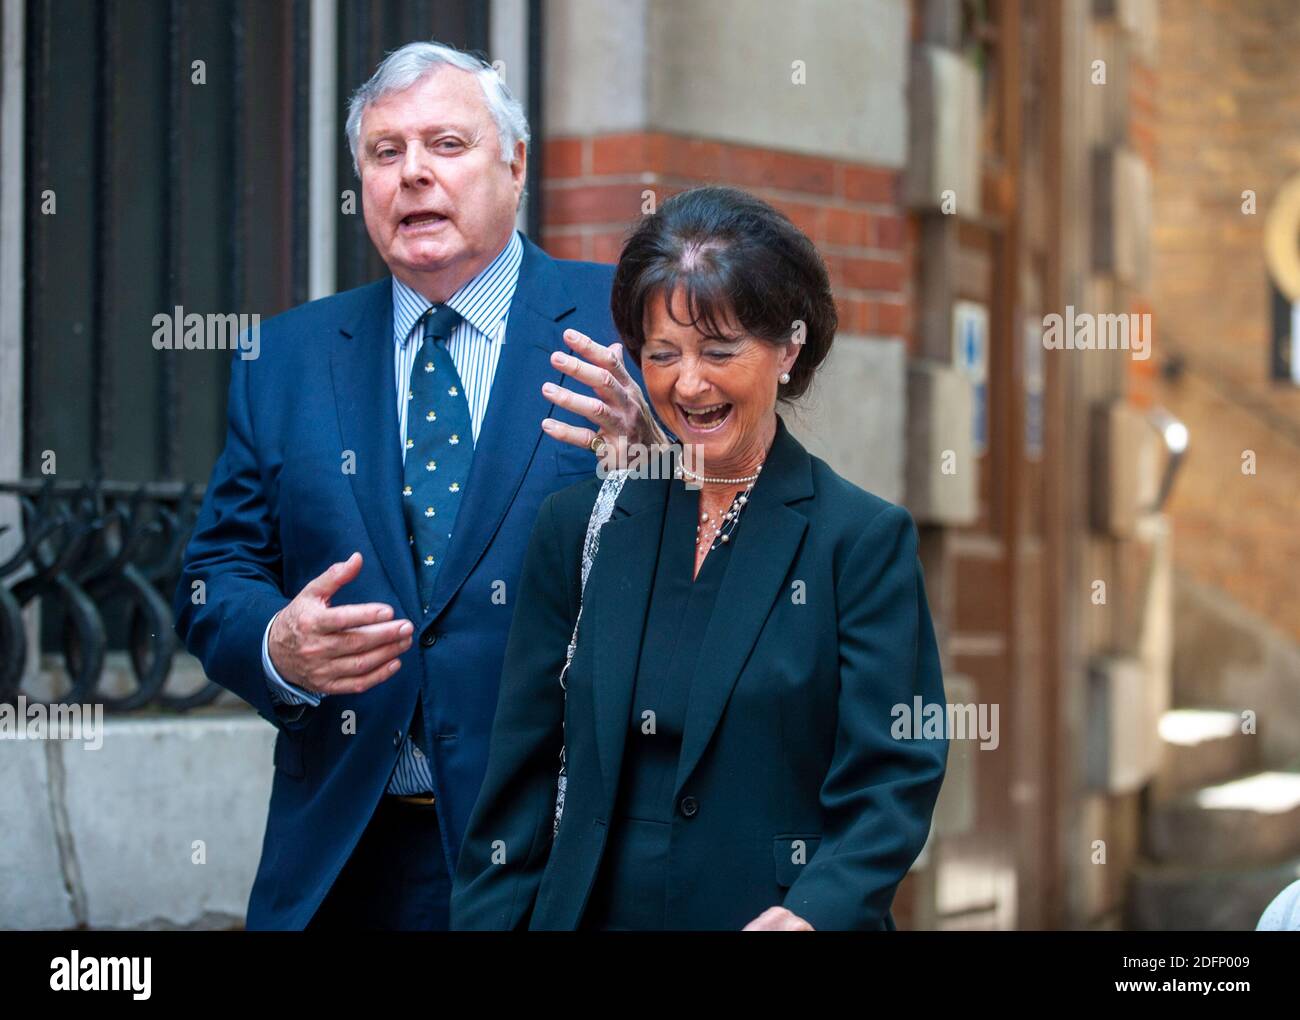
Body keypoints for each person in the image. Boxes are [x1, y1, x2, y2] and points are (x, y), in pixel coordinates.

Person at [172, 40, 659, 930]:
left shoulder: (624, 322)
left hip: (565, 860)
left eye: (447, 145)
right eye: (386, 153)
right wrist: (277, 644)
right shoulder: (284, 358)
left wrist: (651, 462)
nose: (414, 175)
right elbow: (217, 572)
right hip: (347, 861)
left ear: (515, 164)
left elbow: (734, 528)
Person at [451, 185, 949, 930]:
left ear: (788, 348)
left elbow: (894, 777)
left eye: (720, 352)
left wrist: (815, 910)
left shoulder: (860, 542)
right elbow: (517, 787)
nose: (689, 383)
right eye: (662, 354)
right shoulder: (577, 527)